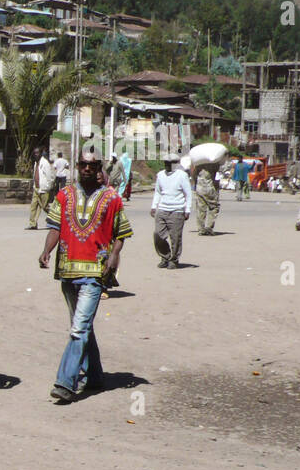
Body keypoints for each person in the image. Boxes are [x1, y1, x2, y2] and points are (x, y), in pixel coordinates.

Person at [38, 153, 132, 403]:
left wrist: (114, 255)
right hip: (67, 270)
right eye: (83, 164)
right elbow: (55, 226)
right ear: (77, 167)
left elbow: (121, 232)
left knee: (78, 328)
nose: (88, 168)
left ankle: (65, 382)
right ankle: (95, 376)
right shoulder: (64, 195)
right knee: (82, 326)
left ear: (99, 168)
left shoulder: (112, 198)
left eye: (93, 165)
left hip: (95, 271)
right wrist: (46, 250)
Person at [151, 155, 192, 269]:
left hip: (177, 210)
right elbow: (158, 192)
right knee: (158, 235)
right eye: (166, 163)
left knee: (175, 237)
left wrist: (187, 209)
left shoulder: (182, 176)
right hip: (162, 209)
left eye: (170, 163)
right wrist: (154, 206)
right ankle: (165, 256)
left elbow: (188, 194)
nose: (167, 165)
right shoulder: (160, 175)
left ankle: (173, 260)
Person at [28, 147, 55, 229]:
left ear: (41, 153)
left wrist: (48, 187)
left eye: (37, 153)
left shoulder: (45, 163)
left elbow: (50, 176)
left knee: (45, 207)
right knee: (33, 206)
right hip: (36, 188)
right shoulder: (36, 163)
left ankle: (55, 220)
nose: (36, 155)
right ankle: (32, 224)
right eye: (35, 153)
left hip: (43, 189)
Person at [193, 162, 220, 235]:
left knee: (200, 209)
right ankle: (209, 227)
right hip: (210, 188)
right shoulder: (214, 163)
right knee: (214, 207)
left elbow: (194, 176)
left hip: (199, 188)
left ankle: (201, 229)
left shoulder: (198, 164)